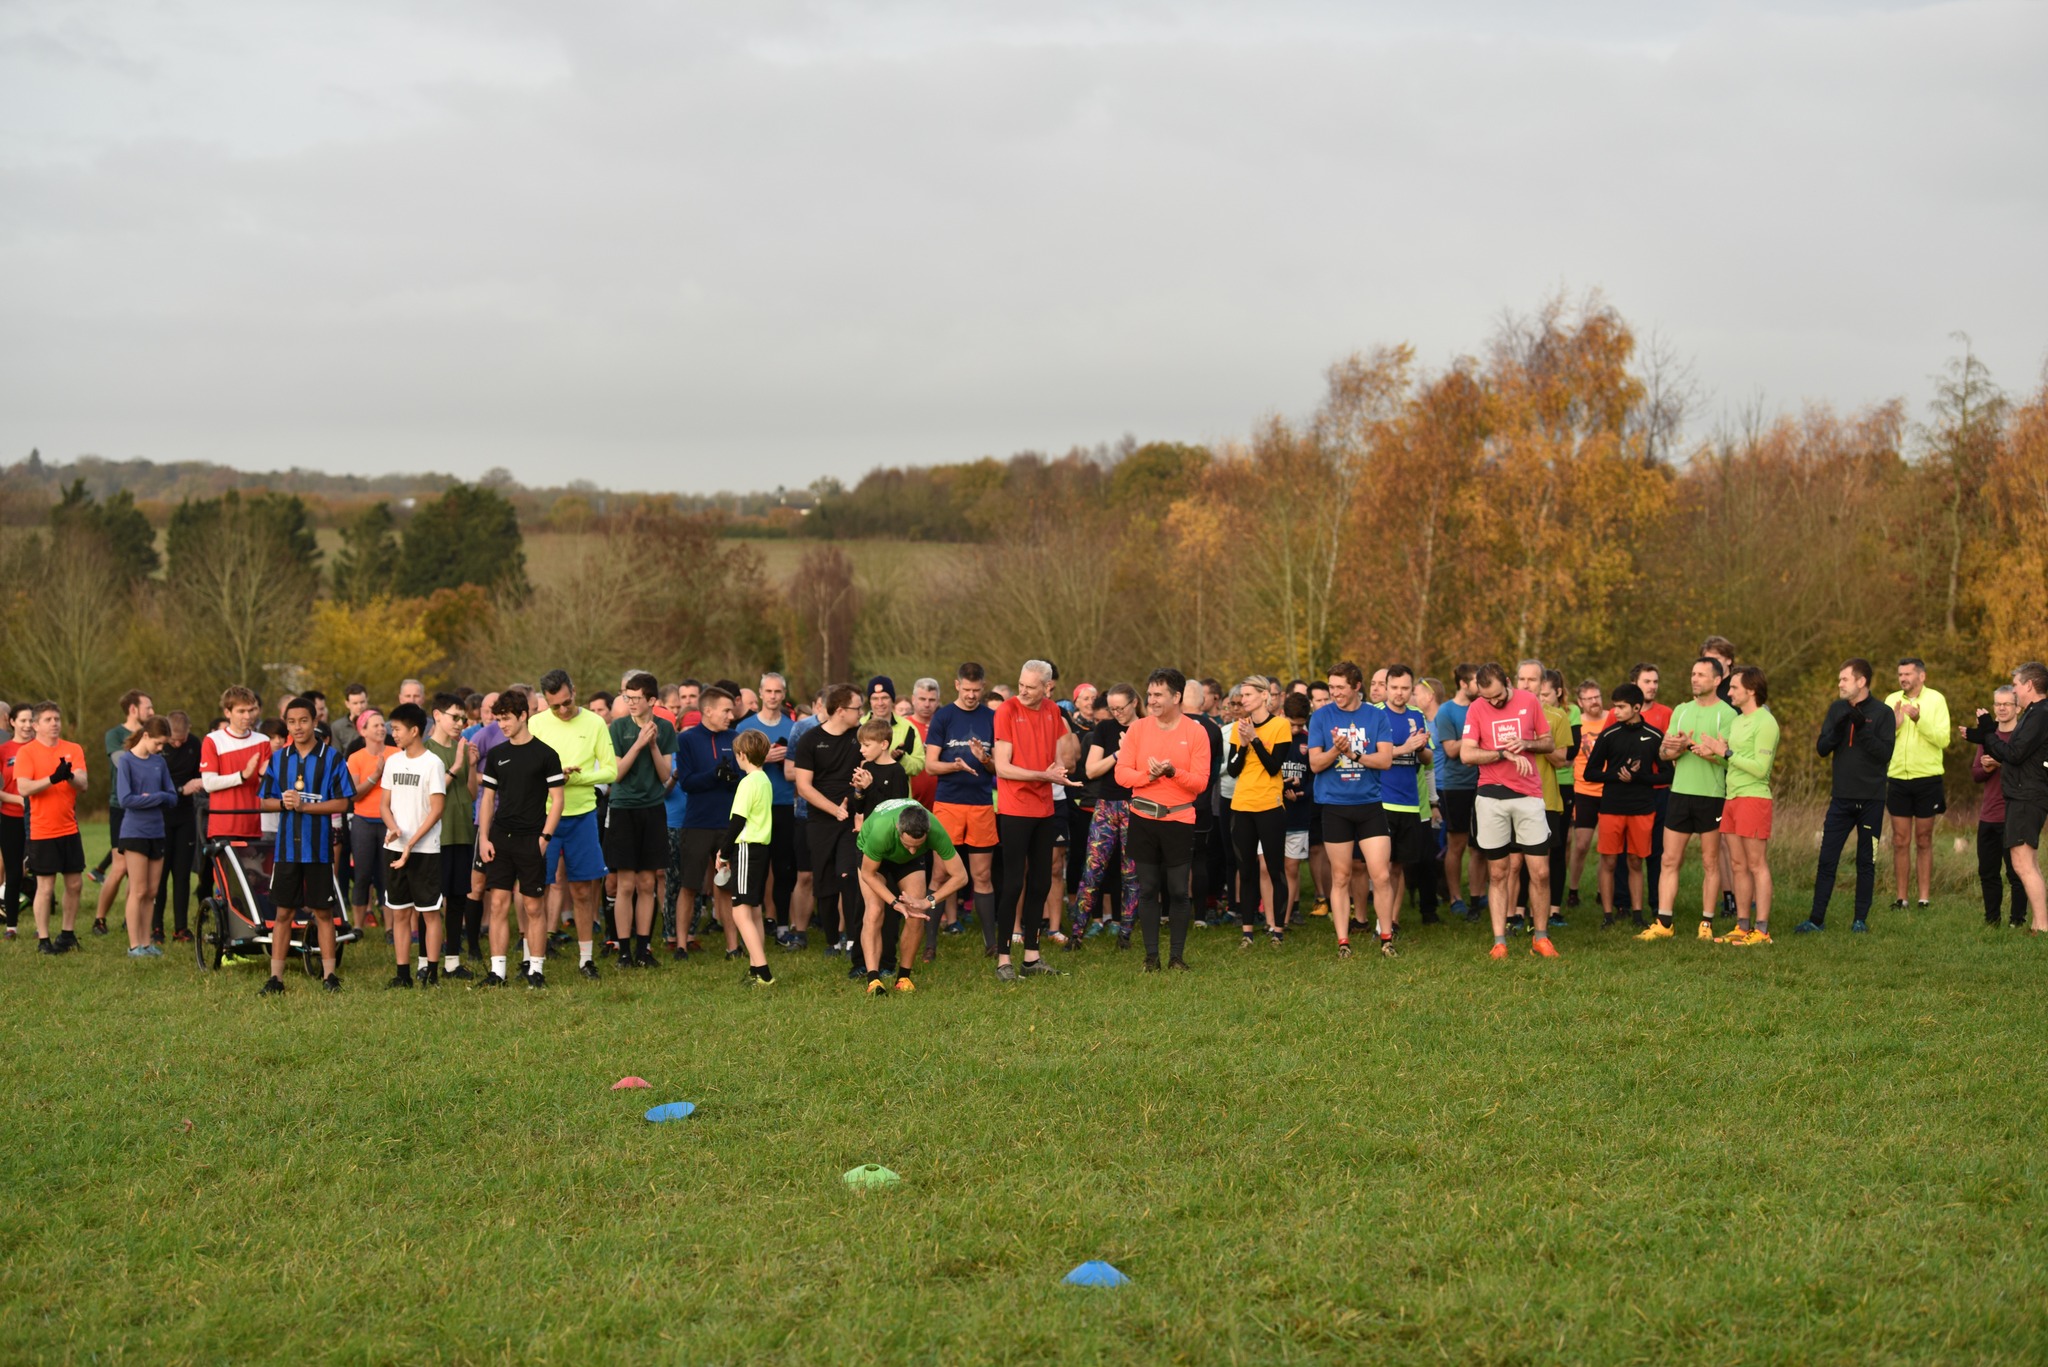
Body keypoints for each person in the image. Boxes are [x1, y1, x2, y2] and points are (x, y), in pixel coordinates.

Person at [255, 697, 356, 995]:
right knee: (283, 913)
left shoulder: (332, 758)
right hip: (286, 849)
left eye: (303, 721)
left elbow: (344, 801)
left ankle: (329, 976)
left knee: (322, 912)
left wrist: (304, 807)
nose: (297, 727)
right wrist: (283, 803)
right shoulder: (279, 759)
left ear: (314, 722)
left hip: (319, 849)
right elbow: (264, 801)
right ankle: (276, 979)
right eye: (291, 721)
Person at [1461, 663, 1560, 959]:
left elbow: (1549, 743)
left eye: (1497, 696)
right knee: (1499, 871)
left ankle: (1541, 937)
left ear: (1507, 682)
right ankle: (1499, 941)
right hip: (1490, 796)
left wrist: (1525, 744)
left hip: (1529, 795)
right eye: (1486, 698)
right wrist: (1501, 752)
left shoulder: (1529, 701)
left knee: (1540, 872)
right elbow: (1467, 754)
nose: (1493, 703)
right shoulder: (1477, 708)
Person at [527, 669, 619, 979]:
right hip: (543, 817)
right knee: (537, 889)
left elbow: (610, 771)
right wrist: (553, 778)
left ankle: (586, 959)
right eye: (556, 706)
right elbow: (527, 772)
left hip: (582, 817)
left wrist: (579, 778)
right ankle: (532, 959)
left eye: (567, 703)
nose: (563, 711)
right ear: (545, 703)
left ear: (574, 692)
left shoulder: (594, 723)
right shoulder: (536, 724)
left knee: (582, 890)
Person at [1796, 659, 1896, 934]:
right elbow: (1821, 748)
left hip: (1872, 800)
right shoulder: (1836, 709)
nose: (1839, 684)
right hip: (1840, 799)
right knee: (1827, 859)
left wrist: (1862, 728)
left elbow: (1884, 754)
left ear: (1861, 681)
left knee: (1867, 861)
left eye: (1844, 679)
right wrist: (1840, 727)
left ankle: (1859, 921)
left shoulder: (1883, 712)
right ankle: (1816, 919)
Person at [1305, 661, 1396, 958]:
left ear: (1357, 686)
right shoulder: (1320, 717)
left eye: (1340, 687)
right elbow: (1316, 764)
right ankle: (1343, 943)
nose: (1335, 693)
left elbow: (1384, 761)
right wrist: (1336, 751)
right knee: (1341, 876)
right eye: (1331, 687)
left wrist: (1353, 753)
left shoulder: (1375, 716)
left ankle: (1386, 938)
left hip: (1369, 805)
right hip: (1335, 806)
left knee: (1380, 875)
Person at [1643, 658, 1737, 942]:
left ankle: (1706, 924)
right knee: (1669, 859)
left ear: (1717, 680)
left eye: (1701, 675)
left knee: (1710, 862)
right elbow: (1663, 754)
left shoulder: (1728, 715)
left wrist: (1708, 751)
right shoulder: (1681, 711)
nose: (1694, 679)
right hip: (1680, 792)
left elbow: (1731, 761)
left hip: (1711, 796)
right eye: (1692, 674)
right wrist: (1676, 748)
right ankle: (1664, 922)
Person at [476, 690, 566, 987]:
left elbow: (558, 800)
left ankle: (536, 970)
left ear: (523, 716)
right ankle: (497, 972)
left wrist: (544, 839)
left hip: (532, 839)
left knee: (532, 906)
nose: (501, 725)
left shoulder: (546, 754)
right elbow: (488, 800)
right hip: (500, 838)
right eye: (498, 719)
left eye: (506, 719)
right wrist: (485, 838)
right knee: (499, 903)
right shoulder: (497, 755)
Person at [990, 659, 1069, 981]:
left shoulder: (1053, 711)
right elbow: (1002, 767)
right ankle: (1004, 959)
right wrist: (1042, 775)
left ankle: (1033, 957)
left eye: (1031, 687)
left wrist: (1061, 772)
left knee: (1041, 882)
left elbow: (1059, 756)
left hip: (1045, 808)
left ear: (1047, 687)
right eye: (1021, 684)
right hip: (1014, 809)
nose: (1023, 690)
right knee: (1013, 883)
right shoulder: (1006, 710)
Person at [1961, 661, 2048, 933]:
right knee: (2027, 862)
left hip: (2027, 796)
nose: (2016, 691)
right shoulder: (2036, 713)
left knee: (2022, 864)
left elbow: (2013, 754)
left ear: (2030, 685)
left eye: (2018, 685)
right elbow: (2012, 751)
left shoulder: (2039, 714)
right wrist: (1983, 735)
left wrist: (1987, 731)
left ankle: (2042, 926)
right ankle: (2038, 923)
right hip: (2023, 795)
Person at [854, 798, 969, 994]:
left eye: (919, 845)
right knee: (874, 911)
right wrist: (894, 902)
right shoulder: (882, 831)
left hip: (908, 863)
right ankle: (873, 980)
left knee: (917, 913)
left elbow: (961, 877)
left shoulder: (935, 831)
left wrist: (927, 901)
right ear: (899, 829)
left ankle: (903, 977)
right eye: (908, 844)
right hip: (874, 861)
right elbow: (868, 874)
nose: (913, 849)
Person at [604, 672, 676, 969]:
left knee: (648, 882)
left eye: (636, 698)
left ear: (652, 700)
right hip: (622, 809)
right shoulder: (617, 728)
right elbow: (615, 774)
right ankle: (623, 950)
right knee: (625, 884)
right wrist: (637, 743)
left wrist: (653, 745)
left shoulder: (666, 728)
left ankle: (644, 948)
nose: (631, 703)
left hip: (653, 809)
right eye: (627, 697)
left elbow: (664, 775)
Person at [1582, 684, 1666, 930]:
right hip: (1611, 807)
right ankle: (1608, 915)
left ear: (1637, 708)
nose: (1615, 711)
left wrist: (1640, 778)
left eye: (1621, 707)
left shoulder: (1654, 736)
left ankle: (1638, 915)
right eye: (1614, 706)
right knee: (1608, 861)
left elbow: (1667, 775)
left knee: (1635, 861)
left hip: (1642, 808)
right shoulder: (1608, 735)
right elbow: (1590, 773)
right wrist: (1616, 776)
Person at [377, 703, 448, 988]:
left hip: (424, 850)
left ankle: (431, 973)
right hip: (395, 848)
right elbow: (384, 804)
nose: (392, 733)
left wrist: (412, 843)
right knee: (399, 912)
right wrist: (394, 829)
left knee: (429, 912)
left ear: (414, 730)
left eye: (396, 729)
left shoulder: (433, 763)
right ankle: (402, 974)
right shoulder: (393, 762)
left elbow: (436, 810)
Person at [792, 684, 865, 959]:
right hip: (821, 820)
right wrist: (834, 809)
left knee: (848, 877)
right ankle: (832, 940)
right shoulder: (810, 739)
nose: (862, 712)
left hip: (851, 821)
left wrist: (857, 801)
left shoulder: (859, 737)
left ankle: (852, 940)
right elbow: (804, 786)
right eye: (858, 708)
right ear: (840, 711)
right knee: (823, 882)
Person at [1707, 666, 1780, 944]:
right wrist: (1714, 752)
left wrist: (1725, 751)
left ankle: (1761, 931)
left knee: (1756, 864)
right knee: (1737, 864)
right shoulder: (1737, 722)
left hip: (1754, 798)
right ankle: (1742, 925)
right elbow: (1732, 760)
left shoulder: (1766, 722)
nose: (1729, 692)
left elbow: (1760, 769)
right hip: (1732, 797)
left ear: (1751, 690)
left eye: (1734, 687)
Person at [674, 684, 742, 961]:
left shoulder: (735, 737)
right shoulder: (688, 740)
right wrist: (713, 775)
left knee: (725, 886)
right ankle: (681, 945)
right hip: (698, 822)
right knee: (690, 884)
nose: (730, 715)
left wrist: (730, 777)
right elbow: (687, 782)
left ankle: (732, 946)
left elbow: (741, 778)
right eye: (726, 710)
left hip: (727, 822)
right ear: (708, 710)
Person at [16, 702, 90, 955]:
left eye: (57, 719)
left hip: (69, 827)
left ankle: (67, 935)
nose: (55, 723)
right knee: (45, 887)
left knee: (75, 884)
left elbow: (83, 784)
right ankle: (44, 940)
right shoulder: (28, 753)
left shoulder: (73, 748)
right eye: (48, 719)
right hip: (42, 830)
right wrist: (52, 779)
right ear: (36, 725)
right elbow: (24, 788)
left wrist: (68, 775)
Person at [1227, 677, 1291, 949]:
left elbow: (1274, 766)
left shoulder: (1280, 725)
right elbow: (1232, 770)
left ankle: (1277, 930)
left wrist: (1254, 740)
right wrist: (1242, 744)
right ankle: (1248, 932)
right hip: (1241, 806)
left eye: (1249, 695)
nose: (1243, 700)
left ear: (1265, 696)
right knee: (1247, 870)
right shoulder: (1238, 728)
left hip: (1270, 806)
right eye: (1242, 696)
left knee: (1275, 869)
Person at [1884, 657, 1952, 911]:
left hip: (1928, 779)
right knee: (1900, 840)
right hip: (1898, 778)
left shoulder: (1936, 700)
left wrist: (1918, 720)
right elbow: (1880, 738)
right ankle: (1901, 898)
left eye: (1908, 674)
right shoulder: (1891, 700)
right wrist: (1896, 725)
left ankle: (1924, 898)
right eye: (1900, 674)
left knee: (1923, 839)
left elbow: (1943, 739)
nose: (1903, 678)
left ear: (1921, 676)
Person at [1075, 683, 1141, 945]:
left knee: (1131, 872)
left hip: (1136, 806)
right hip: (1106, 805)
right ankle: (1077, 932)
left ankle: (1125, 933)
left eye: (1120, 708)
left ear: (1134, 702)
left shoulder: (1147, 728)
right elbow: (1091, 771)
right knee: (1092, 868)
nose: (1117, 713)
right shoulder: (1104, 728)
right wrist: (1118, 753)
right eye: (1112, 709)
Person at [735, 672, 798, 942]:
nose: (773, 696)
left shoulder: (793, 727)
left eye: (778, 692)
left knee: (784, 867)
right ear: (760, 693)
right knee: (757, 870)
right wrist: (764, 758)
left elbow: (801, 768)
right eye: (768, 691)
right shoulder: (744, 727)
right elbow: (737, 771)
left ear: (784, 694)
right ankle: (754, 925)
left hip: (784, 803)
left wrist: (786, 761)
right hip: (755, 808)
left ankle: (783, 924)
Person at [718, 728, 780, 986]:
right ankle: (756, 967)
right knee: (753, 909)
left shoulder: (747, 782)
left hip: (747, 848)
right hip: (761, 849)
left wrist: (723, 852)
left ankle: (763, 970)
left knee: (740, 912)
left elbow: (737, 821)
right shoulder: (764, 780)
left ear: (742, 755)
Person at [424, 693, 480, 975]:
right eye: (454, 717)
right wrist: (457, 765)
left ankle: (452, 962)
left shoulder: (462, 748)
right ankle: (425, 962)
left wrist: (470, 766)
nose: (460, 723)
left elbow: (470, 794)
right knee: (431, 902)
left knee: (458, 898)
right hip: (436, 837)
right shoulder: (425, 750)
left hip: (461, 832)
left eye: (463, 719)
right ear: (437, 715)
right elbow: (427, 795)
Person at [90, 689, 154, 935]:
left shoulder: (151, 734)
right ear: (133, 709)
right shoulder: (115, 735)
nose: (152, 712)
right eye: (148, 707)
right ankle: (99, 918)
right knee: (120, 867)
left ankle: (131, 917)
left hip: (147, 808)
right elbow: (122, 761)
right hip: (121, 806)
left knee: (139, 868)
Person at [1380, 666, 1437, 932]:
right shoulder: (1375, 714)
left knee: (1398, 866)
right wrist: (1404, 748)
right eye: (1395, 687)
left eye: (1405, 688)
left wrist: (1422, 747)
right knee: (1381, 866)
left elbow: (1427, 761)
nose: (1400, 693)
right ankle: (1381, 922)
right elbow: (1373, 757)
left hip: (1409, 801)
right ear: (1386, 687)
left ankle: (1393, 920)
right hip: (1381, 800)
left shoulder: (1417, 715)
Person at [112, 718, 176, 957]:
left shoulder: (159, 763)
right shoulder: (126, 761)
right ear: (146, 736)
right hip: (134, 833)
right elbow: (126, 799)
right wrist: (157, 798)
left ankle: (147, 942)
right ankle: (134, 944)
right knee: (137, 891)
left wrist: (154, 796)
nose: (161, 749)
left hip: (156, 832)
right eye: (159, 743)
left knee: (151, 892)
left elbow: (172, 797)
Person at [1971, 686, 2030, 927]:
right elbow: (1975, 774)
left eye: (2007, 704)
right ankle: (1992, 920)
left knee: (2016, 873)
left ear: (2018, 708)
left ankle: (2017, 920)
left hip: (2015, 815)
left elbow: (2029, 774)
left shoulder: (2025, 737)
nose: (2002, 708)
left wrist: (2001, 763)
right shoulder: (1988, 736)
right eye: (1998, 704)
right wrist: (1986, 768)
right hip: (1989, 815)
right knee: (1987, 872)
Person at [1434, 665, 1480, 919]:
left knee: (1481, 846)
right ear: (1463, 683)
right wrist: (1477, 734)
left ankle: (1477, 895)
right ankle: (1455, 897)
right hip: (1456, 786)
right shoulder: (1446, 711)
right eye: (1476, 681)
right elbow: (1452, 750)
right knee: (1457, 843)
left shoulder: (1483, 707)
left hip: (1482, 783)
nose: (1481, 686)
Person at [200, 686, 269, 843]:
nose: (247, 716)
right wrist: (242, 775)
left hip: (253, 826)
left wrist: (262, 776)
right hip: (223, 826)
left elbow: (266, 788)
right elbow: (209, 783)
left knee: (254, 869)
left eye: (251, 710)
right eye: (241, 711)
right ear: (227, 712)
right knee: (225, 869)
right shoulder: (212, 740)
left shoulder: (263, 741)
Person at [157, 711, 203, 944]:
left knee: (182, 874)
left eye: (181, 740)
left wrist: (198, 784)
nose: (176, 743)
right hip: (162, 814)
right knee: (160, 874)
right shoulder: (158, 746)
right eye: (173, 739)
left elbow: (200, 774)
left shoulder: (195, 744)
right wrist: (179, 790)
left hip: (186, 815)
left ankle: (181, 928)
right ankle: (156, 928)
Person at [1566, 680, 1609, 910]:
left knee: (1606, 845)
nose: (1595, 701)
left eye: (1597, 696)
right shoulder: (1577, 724)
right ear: (1580, 702)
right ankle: (1573, 890)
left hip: (1609, 790)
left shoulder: (1611, 718)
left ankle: (1604, 891)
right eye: (1589, 698)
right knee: (1581, 844)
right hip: (1583, 790)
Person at [345, 709, 390, 929]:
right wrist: (375, 775)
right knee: (362, 875)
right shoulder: (356, 758)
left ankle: (391, 928)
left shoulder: (397, 753)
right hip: (363, 822)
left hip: (390, 822)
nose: (382, 728)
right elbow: (353, 794)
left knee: (387, 876)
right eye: (376, 725)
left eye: (383, 724)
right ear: (362, 730)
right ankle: (358, 927)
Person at [0, 704, 32, 937]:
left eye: (31, 720)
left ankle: (41, 927)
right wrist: (19, 800)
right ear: (12, 722)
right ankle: (12, 926)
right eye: (22, 721)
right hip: (10, 817)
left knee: (41, 871)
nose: (27, 725)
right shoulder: (4, 749)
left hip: (37, 819)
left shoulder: (40, 749)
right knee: (13, 873)